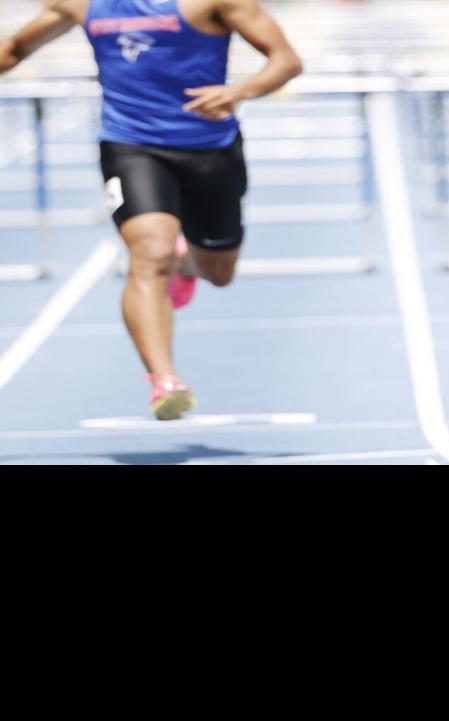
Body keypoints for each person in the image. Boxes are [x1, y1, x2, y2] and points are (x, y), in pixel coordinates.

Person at [0, 0, 302, 419]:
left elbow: (286, 61)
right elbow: (13, 49)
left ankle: (188, 264)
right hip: (130, 145)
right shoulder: (82, 4)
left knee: (219, 272)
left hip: (210, 149)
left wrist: (239, 91)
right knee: (148, 254)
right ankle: (165, 381)